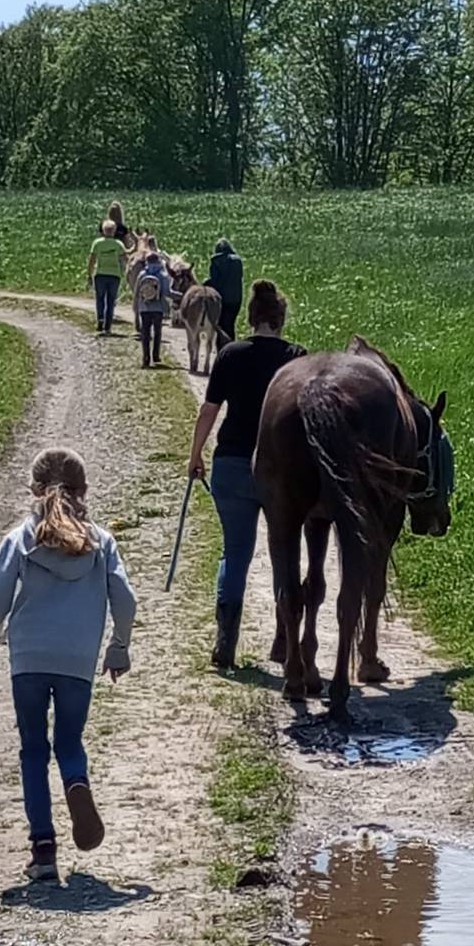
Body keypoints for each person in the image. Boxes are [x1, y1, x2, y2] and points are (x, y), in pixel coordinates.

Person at [0, 448, 136, 883]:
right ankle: (75, 781)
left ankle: (43, 852)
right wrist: (118, 646)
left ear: (32, 490)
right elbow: (124, 599)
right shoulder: (102, 542)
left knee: (33, 749)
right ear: (85, 491)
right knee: (68, 742)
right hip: (77, 660)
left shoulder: (19, 538)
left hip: (29, 658)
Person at [187, 280, 305, 668]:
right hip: (282, 472)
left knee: (235, 552)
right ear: (280, 319)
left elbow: (209, 410)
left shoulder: (231, 354)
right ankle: (285, 639)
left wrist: (195, 454)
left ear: (251, 318)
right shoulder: (296, 359)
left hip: (233, 463)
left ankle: (226, 638)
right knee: (283, 554)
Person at [133, 240, 171, 368]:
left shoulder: (142, 274)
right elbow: (167, 292)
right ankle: (156, 356)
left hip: (144, 307)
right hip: (158, 307)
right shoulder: (163, 275)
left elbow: (137, 291)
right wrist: (181, 296)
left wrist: (136, 306)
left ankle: (145, 358)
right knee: (157, 332)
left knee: (145, 332)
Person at [88, 219, 125, 335]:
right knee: (110, 301)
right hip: (114, 275)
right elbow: (124, 259)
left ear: (103, 231)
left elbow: (92, 260)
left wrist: (89, 274)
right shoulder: (118, 244)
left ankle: (100, 320)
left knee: (100, 299)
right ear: (114, 231)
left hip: (100, 274)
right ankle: (108, 326)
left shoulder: (97, 243)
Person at [206, 237, 244, 343]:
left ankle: (222, 351)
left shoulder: (216, 261)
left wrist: (205, 284)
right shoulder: (238, 260)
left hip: (222, 298)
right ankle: (232, 346)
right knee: (231, 324)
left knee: (221, 326)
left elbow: (215, 281)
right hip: (237, 298)